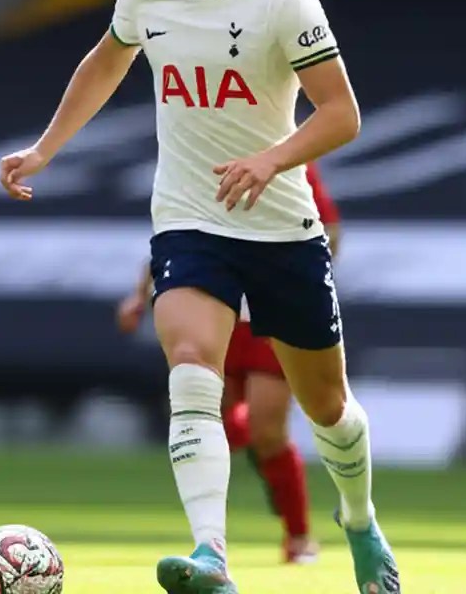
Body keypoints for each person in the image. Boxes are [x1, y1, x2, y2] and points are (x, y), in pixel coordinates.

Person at [0, 0, 399, 591]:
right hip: (190, 219)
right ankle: (211, 553)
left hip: (281, 226)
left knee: (328, 408)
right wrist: (45, 149)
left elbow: (343, 113)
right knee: (190, 365)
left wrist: (271, 160)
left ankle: (361, 523)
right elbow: (105, 63)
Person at [116, 161, 342, 565]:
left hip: (268, 310)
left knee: (266, 428)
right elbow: (178, 236)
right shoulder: (204, 150)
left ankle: (298, 536)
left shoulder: (289, 158)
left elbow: (329, 230)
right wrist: (140, 292)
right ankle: (212, 541)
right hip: (214, 306)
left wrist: (304, 280)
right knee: (213, 418)